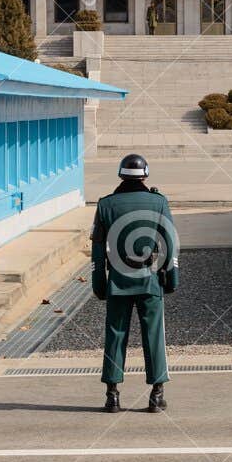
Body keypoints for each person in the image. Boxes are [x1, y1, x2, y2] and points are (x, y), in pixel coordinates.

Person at [90, 153, 177, 413]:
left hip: (117, 281)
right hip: (149, 280)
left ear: (120, 176)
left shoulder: (106, 205)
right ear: (145, 176)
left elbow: (97, 251)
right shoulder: (158, 202)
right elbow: (169, 246)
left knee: (115, 336)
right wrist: (171, 279)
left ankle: (112, 395)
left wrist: (99, 284)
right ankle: (156, 394)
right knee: (154, 336)